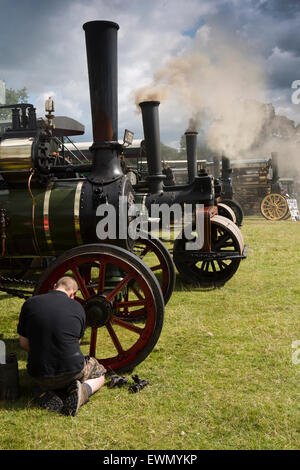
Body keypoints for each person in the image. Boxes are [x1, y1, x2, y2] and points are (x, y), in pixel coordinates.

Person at [17, 276, 106, 416]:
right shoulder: (78, 307)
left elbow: (23, 343)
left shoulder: (30, 303)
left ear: (53, 286)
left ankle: (42, 391)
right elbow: (75, 344)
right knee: (100, 373)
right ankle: (83, 391)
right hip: (72, 372)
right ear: (73, 294)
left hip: (39, 374)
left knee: (36, 375)